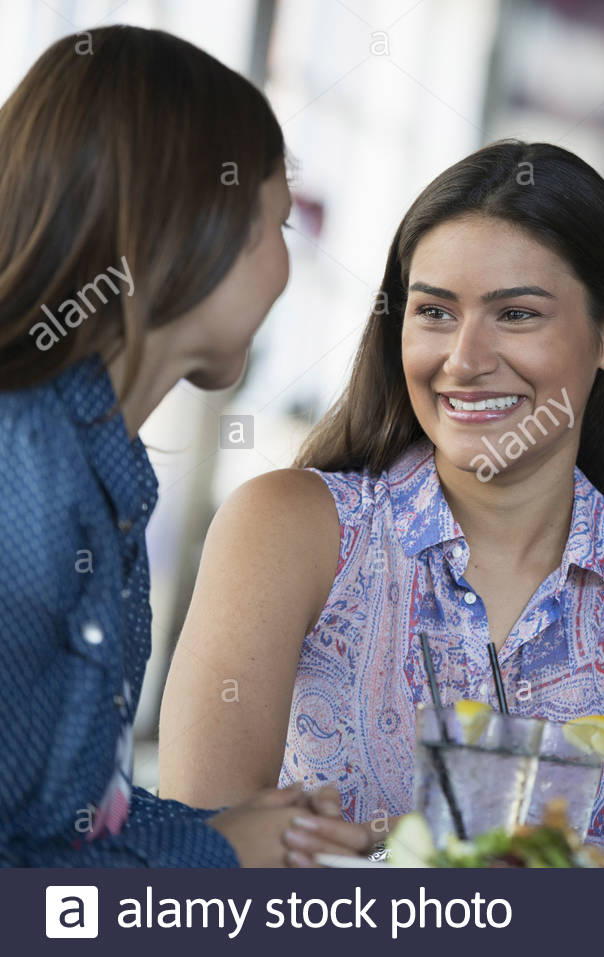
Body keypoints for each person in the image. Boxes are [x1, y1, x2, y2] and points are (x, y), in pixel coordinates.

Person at [159, 140, 604, 866]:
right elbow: (205, 850)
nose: (466, 360)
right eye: (436, 313)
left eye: (515, 314)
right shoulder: (291, 527)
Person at [0, 26, 374, 867]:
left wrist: (240, 832)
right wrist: (218, 858)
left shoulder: (98, 467)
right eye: (277, 223)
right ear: (195, 224)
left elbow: (67, 822)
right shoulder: (21, 470)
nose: (286, 268)